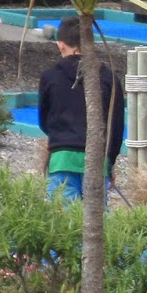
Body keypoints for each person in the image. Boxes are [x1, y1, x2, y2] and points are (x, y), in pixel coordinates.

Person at [38, 17, 125, 199]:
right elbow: (116, 127)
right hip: (97, 159)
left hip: (62, 158)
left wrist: (60, 135)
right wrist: (110, 162)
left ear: (60, 45)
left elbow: (44, 120)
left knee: (62, 221)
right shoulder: (109, 78)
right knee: (96, 222)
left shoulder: (50, 76)